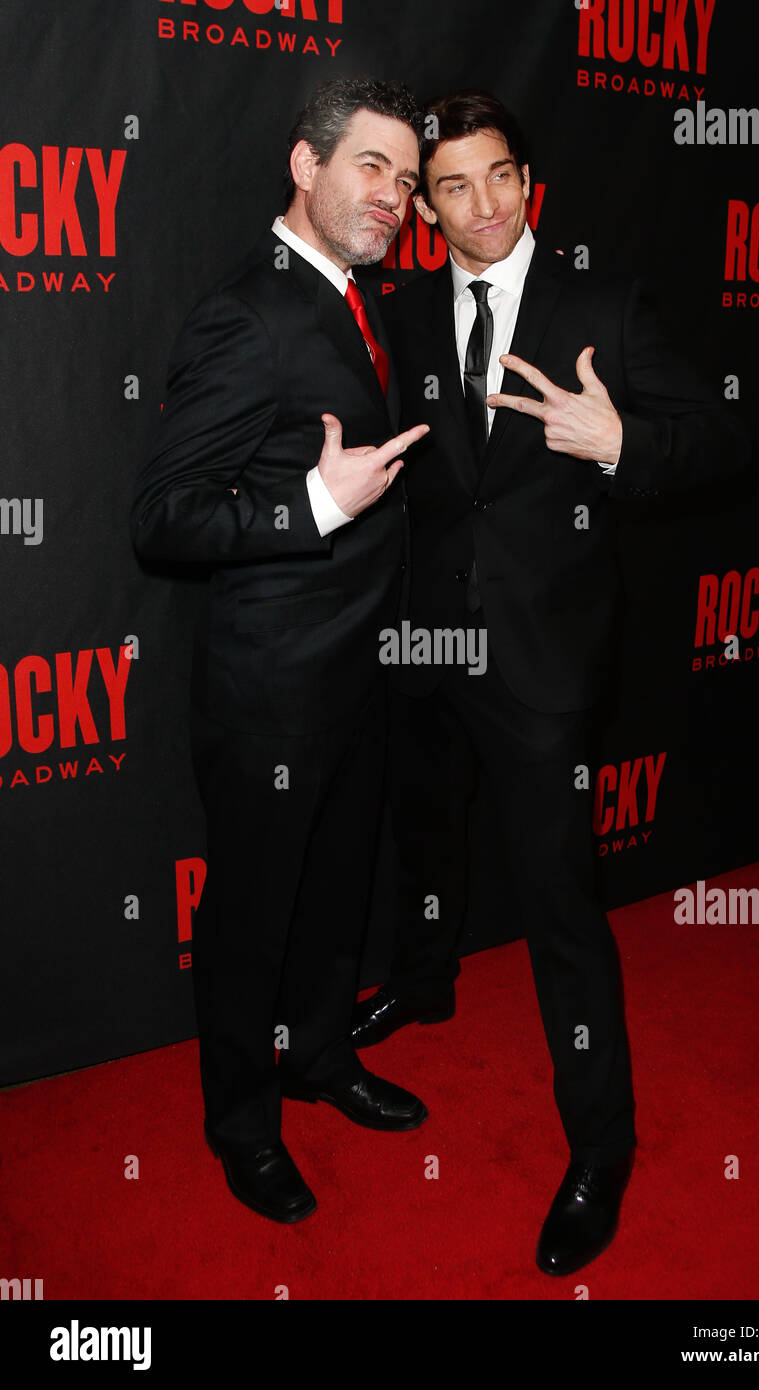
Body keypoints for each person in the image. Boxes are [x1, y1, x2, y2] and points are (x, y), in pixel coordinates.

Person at [352, 89, 751, 1274]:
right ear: (423, 207)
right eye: (453, 186)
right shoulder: (408, 311)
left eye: (499, 178)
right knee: (425, 836)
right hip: (426, 645)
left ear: (532, 183)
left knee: (557, 906)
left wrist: (620, 442)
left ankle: (598, 1146)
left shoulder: (602, 307)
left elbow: (730, 441)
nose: (481, 207)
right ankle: (423, 984)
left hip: (541, 666)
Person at [130, 77, 432, 1225]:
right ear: (303, 167)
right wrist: (306, 506)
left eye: (406, 181)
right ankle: (241, 1125)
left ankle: (316, 1054)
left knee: (333, 893)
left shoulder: (356, 299)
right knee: (254, 913)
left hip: (358, 672)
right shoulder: (244, 316)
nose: (393, 197)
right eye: (371, 167)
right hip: (269, 692)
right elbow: (160, 517)